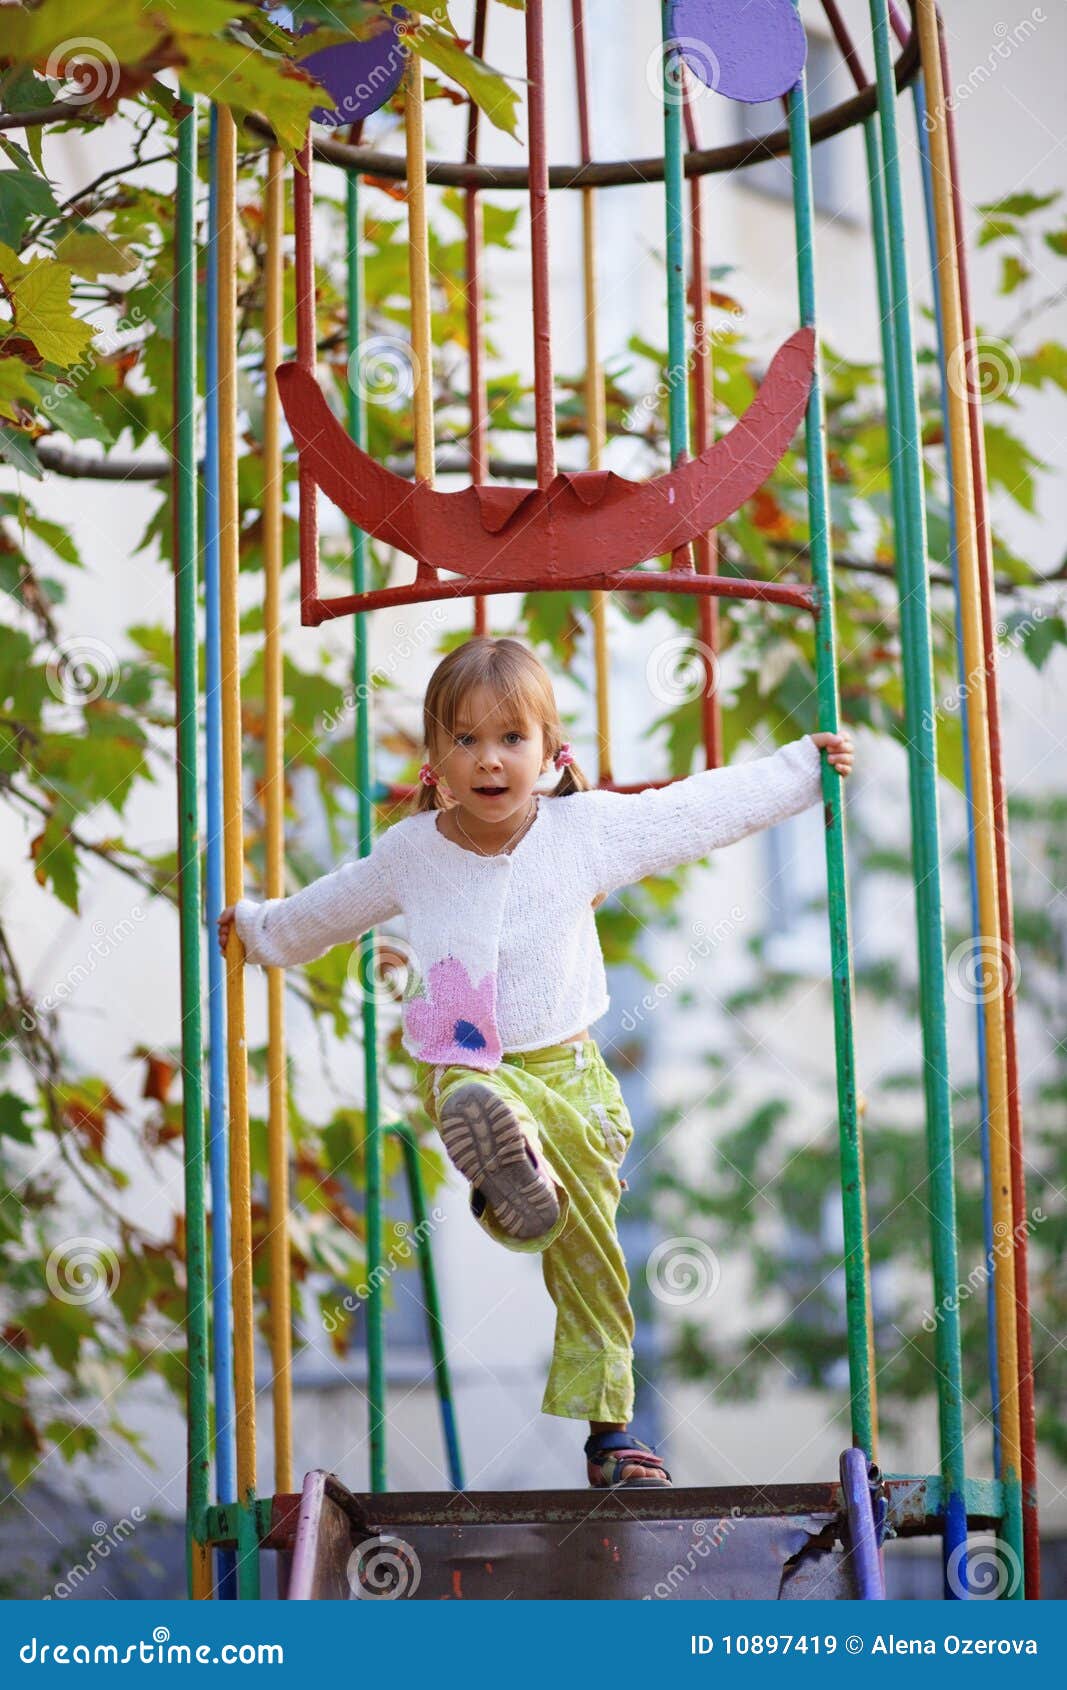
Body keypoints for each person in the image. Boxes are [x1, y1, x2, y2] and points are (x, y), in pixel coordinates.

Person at [219, 635, 854, 1489]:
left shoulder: (582, 832)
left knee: (593, 1251)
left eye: (509, 739)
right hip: (467, 1063)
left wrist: (796, 772)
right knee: (481, 1097)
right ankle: (508, 1162)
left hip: (573, 1076)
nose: (488, 760)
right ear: (434, 759)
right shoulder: (411, 852)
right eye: (465, 740)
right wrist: (256, 931)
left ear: (550, 752)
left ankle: (610, 1431)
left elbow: (694, 810)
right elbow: (326, 909)